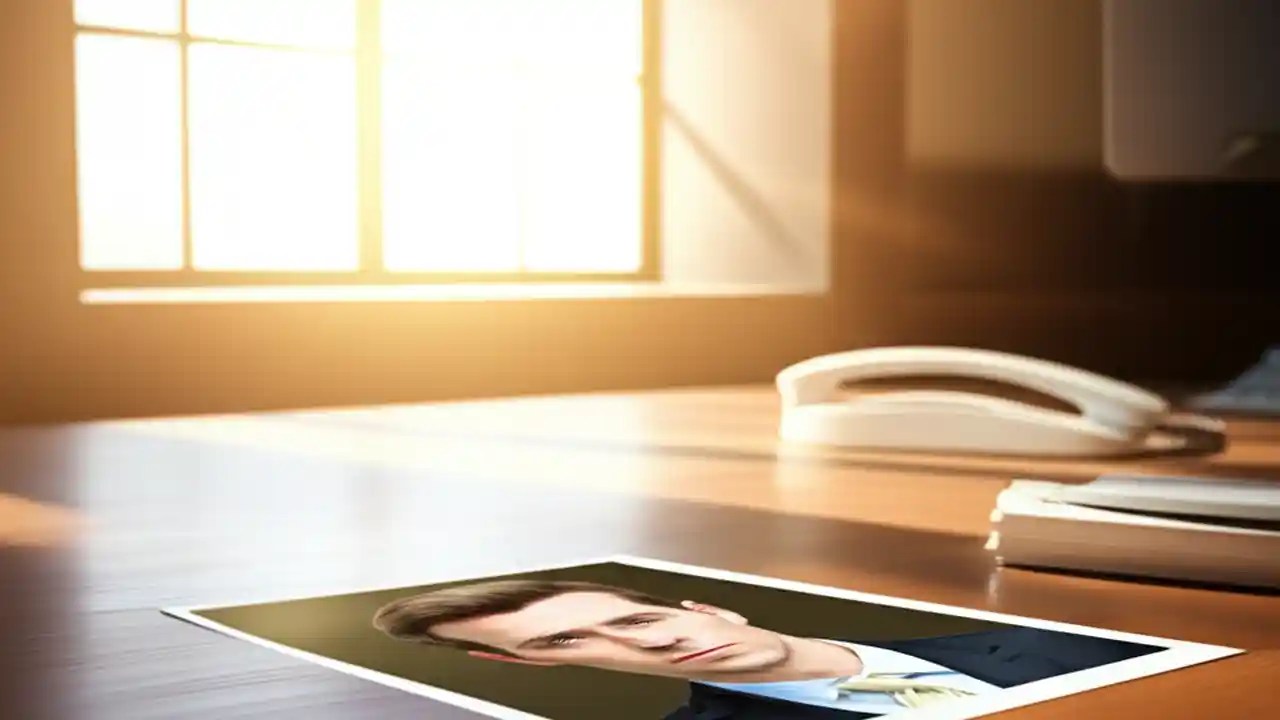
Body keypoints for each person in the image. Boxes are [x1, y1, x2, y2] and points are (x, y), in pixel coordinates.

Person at [372, 579, 1161, 719]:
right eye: (568, 639)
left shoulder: (1059, 637)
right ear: (536, 664)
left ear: (708, 608)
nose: (663, 640)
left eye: (638, 620)